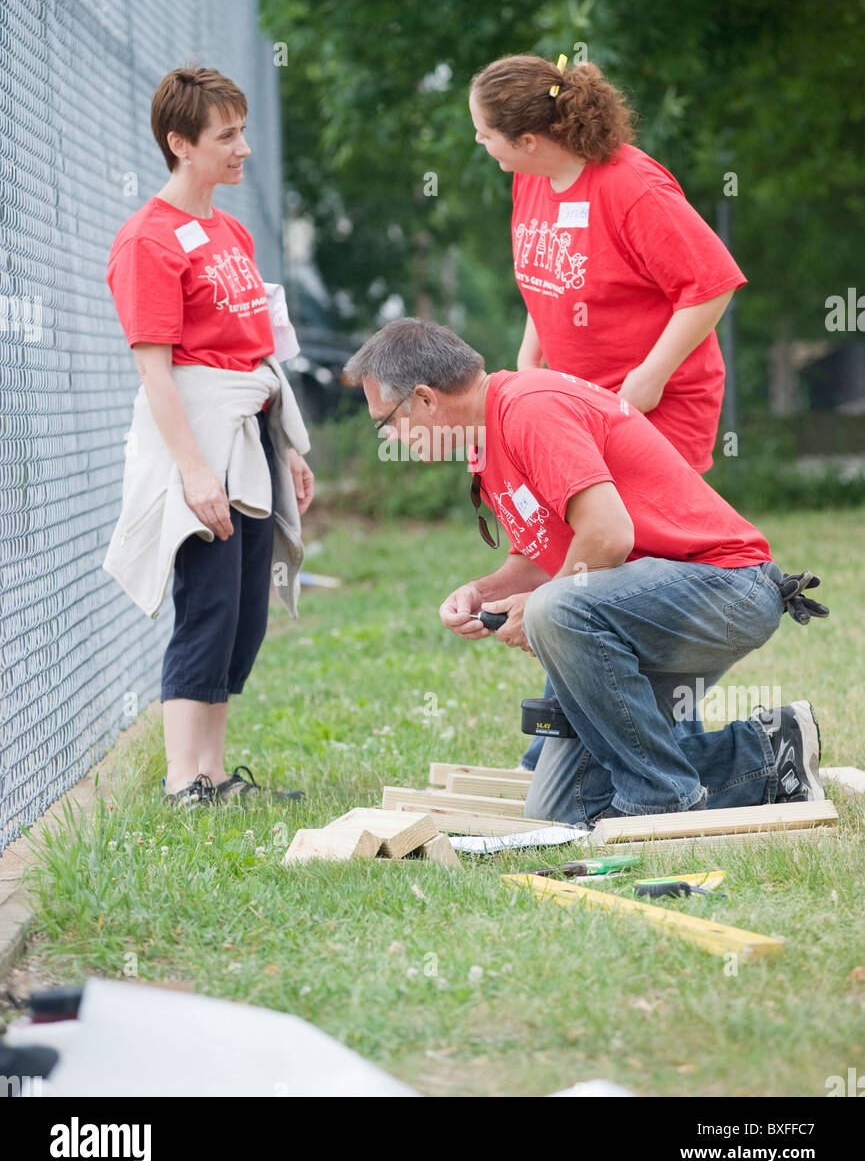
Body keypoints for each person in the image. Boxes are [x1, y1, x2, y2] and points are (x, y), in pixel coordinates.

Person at [345, 318, 828, 828]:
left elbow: (608, 535)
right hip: (654, 604)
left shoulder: (528, 409)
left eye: (387, 421)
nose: (390, 436)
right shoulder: (487, 441)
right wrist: (481, 592)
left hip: (727, 587)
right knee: (564, 810)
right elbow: (545, 555)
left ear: (424, 399)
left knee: (556, 609)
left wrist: (541, 606)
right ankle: (769, 755)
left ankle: (663, 797)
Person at [469, 54, 744, 768]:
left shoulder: (630, 185)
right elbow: (542, 281)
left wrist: (649, 378)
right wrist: (532, 359)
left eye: (484, 133)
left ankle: (649, 742)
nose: (479, 145)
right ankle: (590, 729)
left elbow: (710, 284)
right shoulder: (528, 179)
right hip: (574, 402)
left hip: (651, 404)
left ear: (529, 137)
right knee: (580, 553)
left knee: (629, 559)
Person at [103, 66, 314, 809]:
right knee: (209, 603)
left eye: (242, 131)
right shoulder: (147, 242)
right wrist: (195, 473)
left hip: (250, 428)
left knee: (246, 610)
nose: (243, 149)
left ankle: (215, 773)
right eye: (226, 136)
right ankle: (182, 779)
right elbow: (158, 374)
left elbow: (256, 351)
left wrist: (284, 447)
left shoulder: (231, 231)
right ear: (180, 144)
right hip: (195, 437)